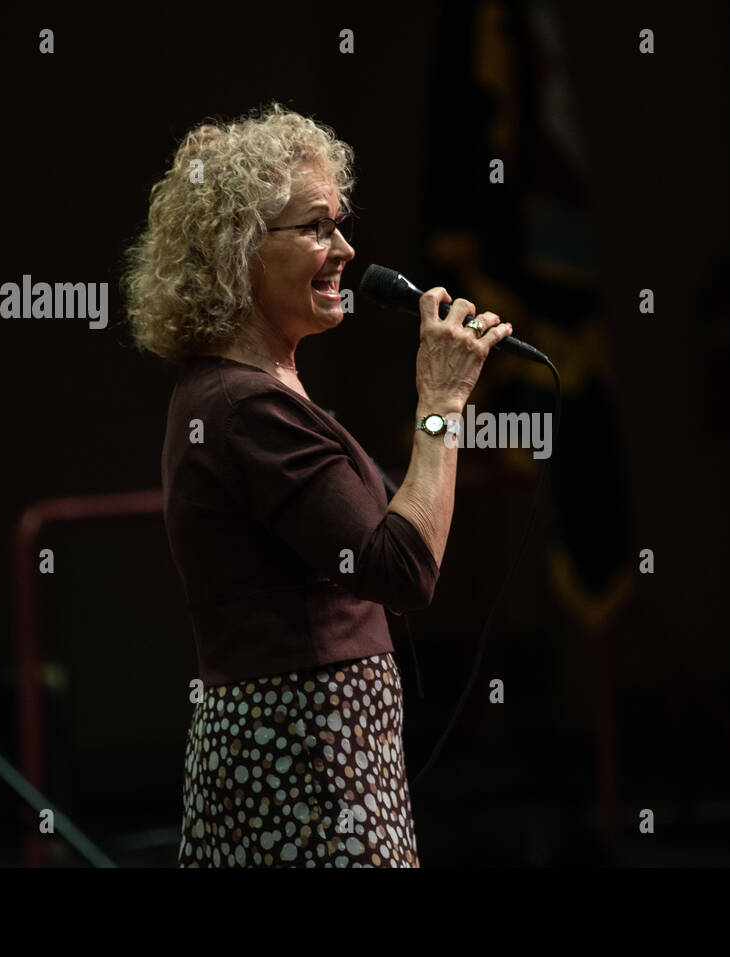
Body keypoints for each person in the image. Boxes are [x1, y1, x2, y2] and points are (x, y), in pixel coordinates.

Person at [120, 103, 513, 867]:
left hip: (311, 756)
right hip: (303, 763)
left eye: (340, 223)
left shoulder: (254, 392)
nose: (346, 248)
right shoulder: (245, 407)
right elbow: (403, 566)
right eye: (316, 227)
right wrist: (440, 403)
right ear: (240, 252)